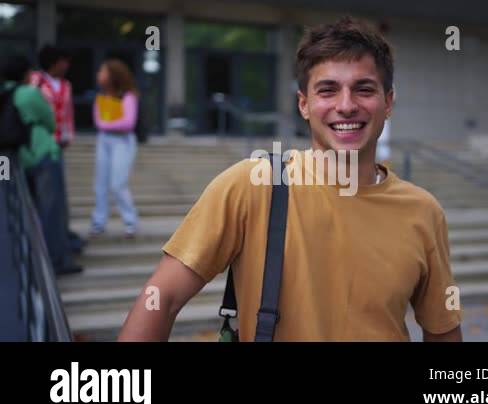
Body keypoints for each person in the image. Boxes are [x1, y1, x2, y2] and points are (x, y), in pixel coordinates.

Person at [118, 17, 462, 342]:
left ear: (388, 102)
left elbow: (443, 332)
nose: (346, 105)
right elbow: (160, 297)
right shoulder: (251, 185)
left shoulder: (423, 212)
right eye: (327, 90)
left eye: (364, 89)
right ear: (304, 104)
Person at [1, 53, 82, 275]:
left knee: (30, 210)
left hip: (18, 158)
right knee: (51, 211)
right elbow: (49, 119)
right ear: (25, 73)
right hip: (42, 153)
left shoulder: (4, 93)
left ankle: (35, 258)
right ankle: (57, 261)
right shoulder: (28, 93)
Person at [30, 44, 85, 254]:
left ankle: (61, 239)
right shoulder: (36, 81)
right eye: (64, 60)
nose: (67, 65)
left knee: (58, 194)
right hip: (42, 145)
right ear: (55, 61)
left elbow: (67, 112)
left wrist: (68, 135)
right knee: (47, 195)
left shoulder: (65, 85)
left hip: (58, 144)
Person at [90, 59, 139, 238]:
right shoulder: (101, 96)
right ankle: (98, 221)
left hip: (123, 142)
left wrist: (106, 125)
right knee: (100, 184)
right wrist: (107, 125)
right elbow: (98, 122)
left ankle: (130, 221)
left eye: (102, 72)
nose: (99, 75)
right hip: (104, 141)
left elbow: (128, 123)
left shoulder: (128, 96)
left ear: (112, 75)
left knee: (117, 184)